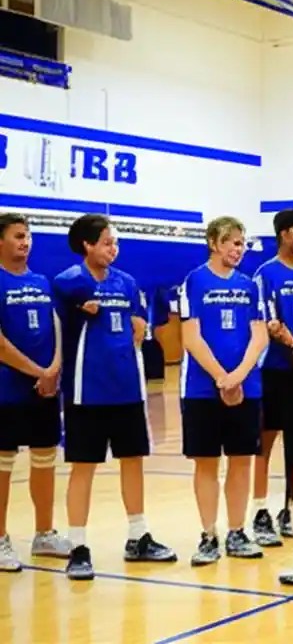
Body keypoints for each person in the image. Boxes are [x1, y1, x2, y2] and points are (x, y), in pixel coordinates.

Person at [53, 214, 176, 580]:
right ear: (87, 245)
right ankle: (78, 546)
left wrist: (143, 326)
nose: (113, 248)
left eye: (115, 242)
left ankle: (138, 536)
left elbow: (140, 324)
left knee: (133, 460)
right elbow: (61, 322)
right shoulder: (68, 283)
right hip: (86, 392)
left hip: (128, 390)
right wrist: (80, 312)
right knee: (84, 467)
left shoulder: (127, 282)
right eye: (106, 242)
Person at [179, 216, 270, 565]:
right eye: (232, 242)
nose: (238, 249)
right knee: (206, 463)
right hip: (202, 390)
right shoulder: (193, 282)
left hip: (246, 388)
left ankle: (237, 530)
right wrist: (221, 377)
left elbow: (259, 335)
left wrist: (239, 376)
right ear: (214, 243)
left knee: (241, 460)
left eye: (242, 243)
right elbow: (191, 337)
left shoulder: (250, 286)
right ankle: (208, 535)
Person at [0, 213, 70, 572]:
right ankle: (0, 540)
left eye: (27, 236)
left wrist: (53, 369)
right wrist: (36, 371)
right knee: (3, 464)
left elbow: (55, 328)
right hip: (7, 389)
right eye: (17, 236)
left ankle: (44, 534)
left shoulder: (42, 282)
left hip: (44, 389)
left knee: (45, 458)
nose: (25, 242)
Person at [252, 208, 293, 555]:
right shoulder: (266, 274)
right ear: (283, 234)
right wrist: (292, 345)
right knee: (265, 440)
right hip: (276, 370)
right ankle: (259, 510)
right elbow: (269, 321)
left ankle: (292, 508)